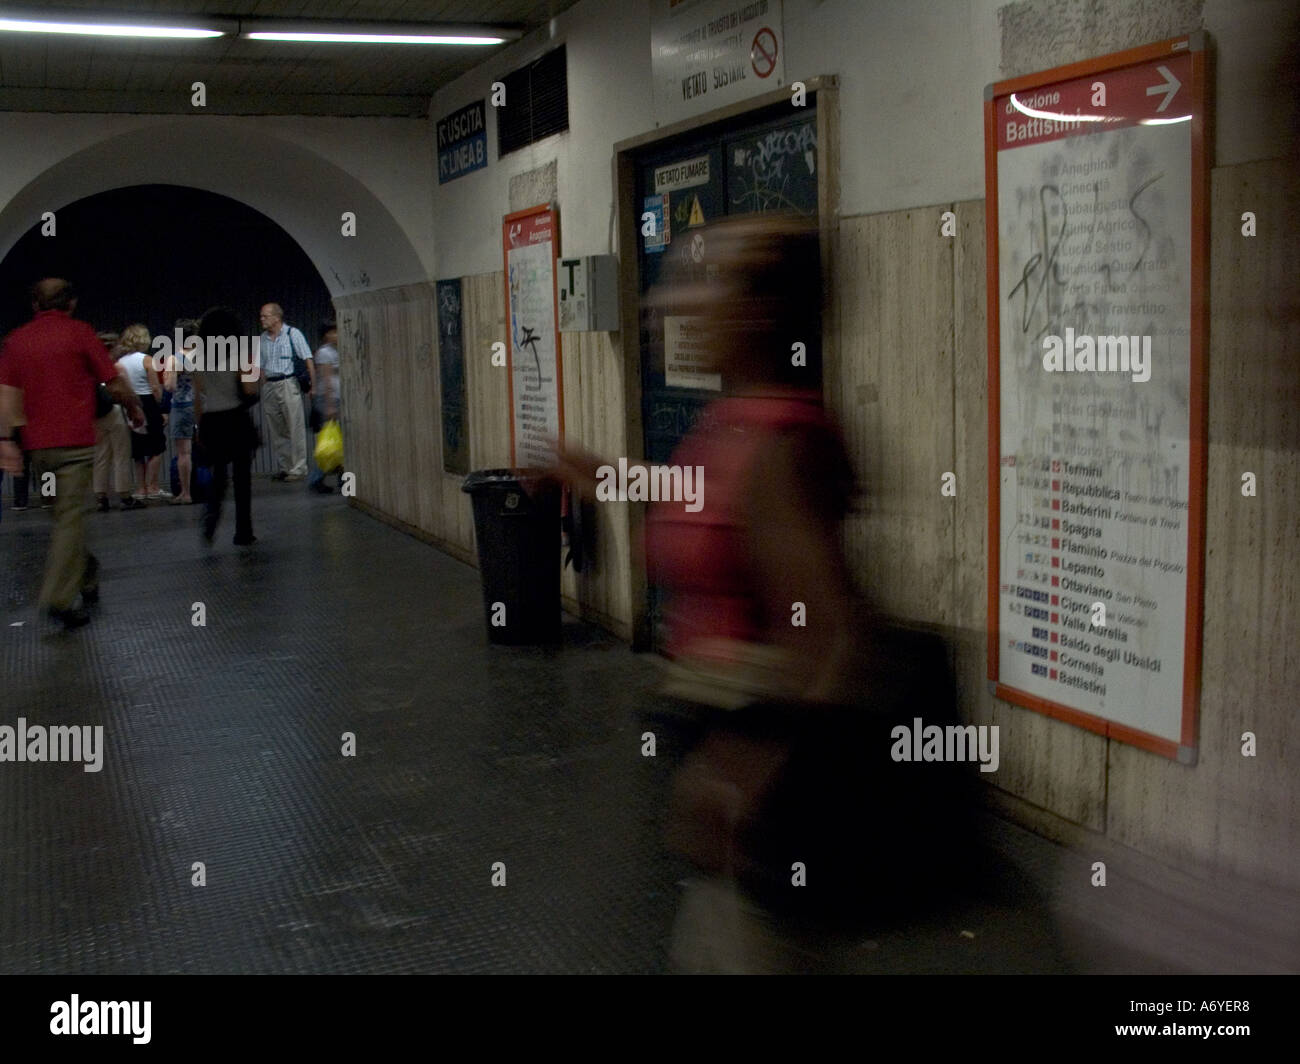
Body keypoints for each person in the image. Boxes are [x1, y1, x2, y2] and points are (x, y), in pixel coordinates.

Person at [0, 279, 144, 628]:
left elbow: (6, 393)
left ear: (35, 305)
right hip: (75, 448)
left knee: (63, 518)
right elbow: (112, 380)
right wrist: (134, 407)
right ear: (72, 303)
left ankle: (87, 574)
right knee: (70, 519)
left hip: (39, 453)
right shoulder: (81, 334)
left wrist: (6, 440)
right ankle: (59, 598)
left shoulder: (16, 340)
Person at [193, 306, 261, 546]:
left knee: (218, 476)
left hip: (212, 421)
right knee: (242, 479)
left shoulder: (199, 358)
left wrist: (199, 428)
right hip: (236, 419)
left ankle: (211, 517)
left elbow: (198, 396)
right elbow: (250, 389)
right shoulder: (239, 354)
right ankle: (243, 531)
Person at [257, 302, 313, 481]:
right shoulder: (262, 338)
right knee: (277, 428)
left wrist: (314, 385)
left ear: (276, 317)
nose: (262, 319)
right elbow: (260, 365)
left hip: (287, 382)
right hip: (270, 385)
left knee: (294, 426)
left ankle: (299, 468)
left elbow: (307, 358)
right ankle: (286, 466)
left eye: (265, 316)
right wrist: (263, 383)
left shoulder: (292, 334)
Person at [114, 323, 167, 500]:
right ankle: (153, 486)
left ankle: (140, 488)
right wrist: (160, 406)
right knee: (157, 446)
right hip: (148, 403)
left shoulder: (119, 362)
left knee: (138, 450)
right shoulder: (147, 360)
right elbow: (155, 387)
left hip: (129, 404)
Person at [164, 318, 199, 505]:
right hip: (201, 405)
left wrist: (167, 378)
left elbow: (170, 387)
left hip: (182, 406)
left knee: (184, 453)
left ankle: (186, 493)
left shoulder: (174, 358)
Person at [307, 320, 340, 494]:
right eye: (334, 332)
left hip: (337, 400)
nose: (337, 335)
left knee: (341, 445)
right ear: (327, 334)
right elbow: (326, 381)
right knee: (330, 445)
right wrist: (329, 406)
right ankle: (316, 478)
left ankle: (346, 484)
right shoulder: (325, 353)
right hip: (330, 402)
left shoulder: (337, 351)